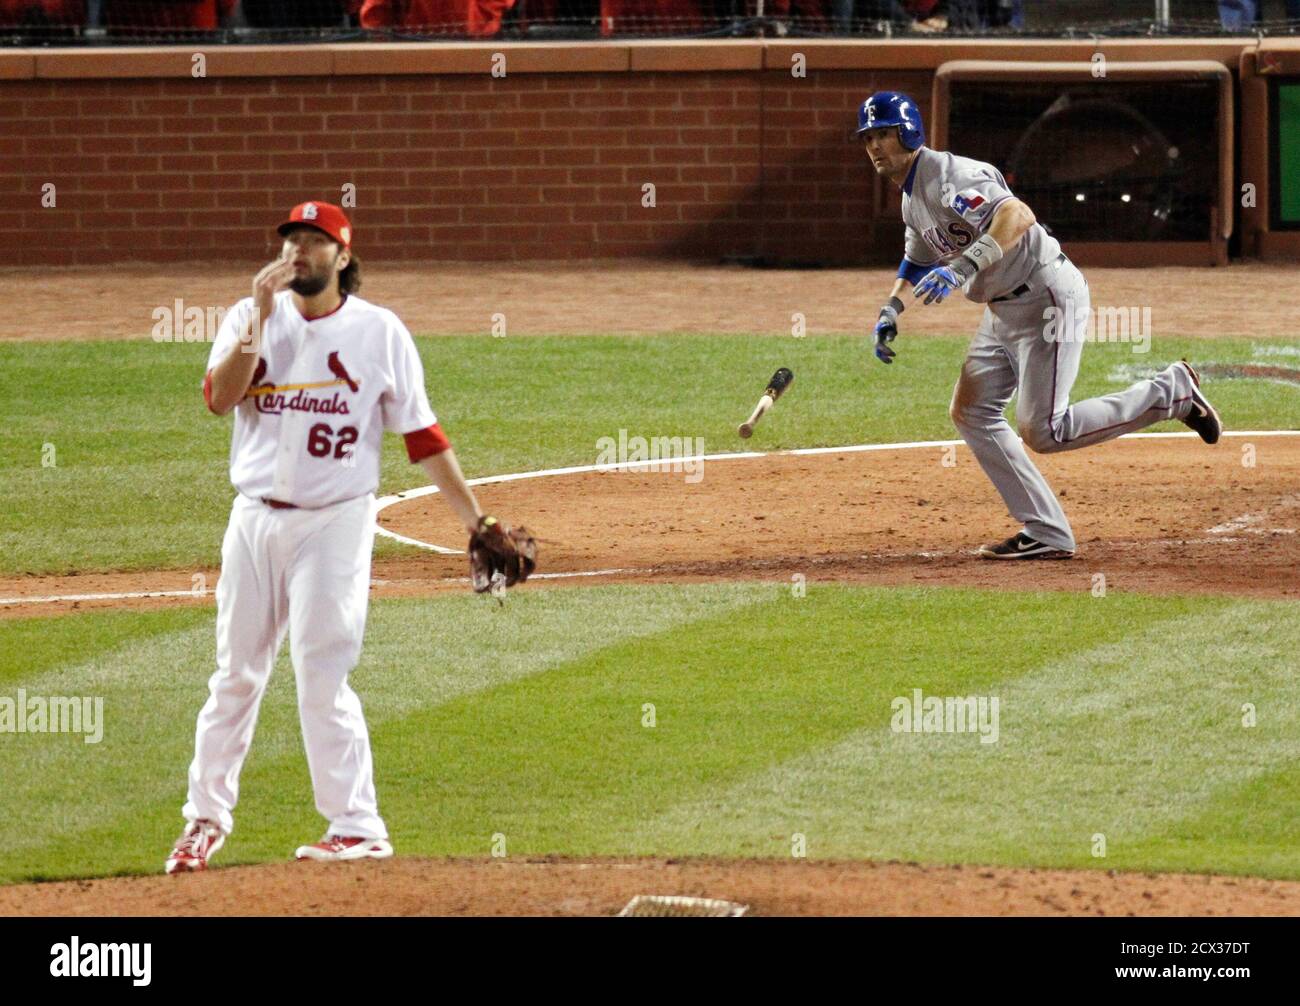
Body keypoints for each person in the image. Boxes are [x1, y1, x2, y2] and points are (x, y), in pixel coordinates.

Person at [167, 201, 507, 872]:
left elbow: (423, 436)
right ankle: (203, 822)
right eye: (292, 236)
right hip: (254, 517)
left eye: (316, 239)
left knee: (322, 672)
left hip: (335, 521)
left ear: (344, 258)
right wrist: (259, 323)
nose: (299, 247)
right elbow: (218, 398)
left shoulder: (378, 333)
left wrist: (478, 521)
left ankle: (357, 825)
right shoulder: (248, 316)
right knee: (234, 675)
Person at [860, 92, 1222, 560]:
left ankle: (1169, 393)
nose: (874, 146)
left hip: (1046, 298)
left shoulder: (954, 177)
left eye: (884, 134)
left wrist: (964, 267)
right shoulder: (914, 198)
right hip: (1001, 310)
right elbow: (916, 258)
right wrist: (892, 309)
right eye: (868, 137)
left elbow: (1017, 214)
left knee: (1045, 430)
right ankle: (1046, 530)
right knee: (971, 412)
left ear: (909, 132)